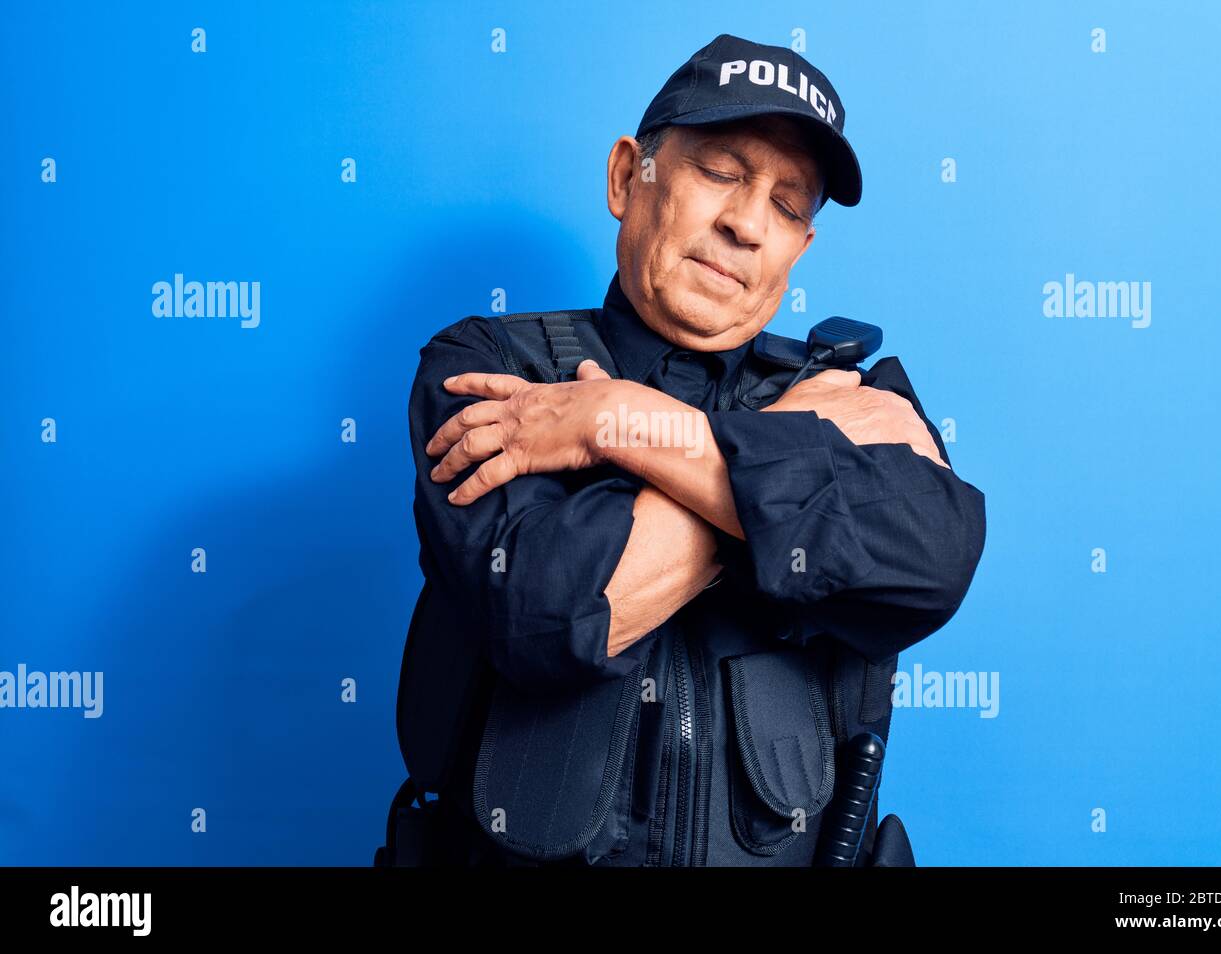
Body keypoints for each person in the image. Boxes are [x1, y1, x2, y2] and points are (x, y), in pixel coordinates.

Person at [391, 33, 987, 867]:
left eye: (788, 204)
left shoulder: (856, 393)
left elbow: (933, 561)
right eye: (720, 170)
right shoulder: (492, 372)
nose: (746, 224)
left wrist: (619, 422)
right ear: (626, 176)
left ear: (801, 247)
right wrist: (785, 486)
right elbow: (544, 614)